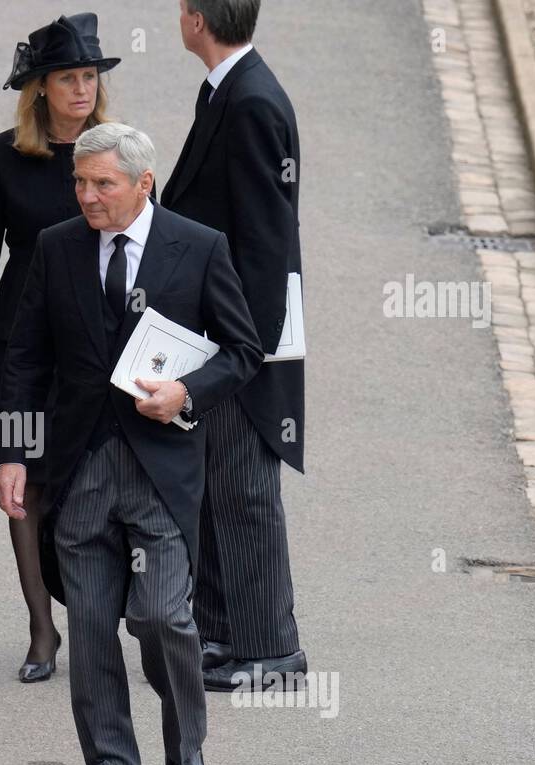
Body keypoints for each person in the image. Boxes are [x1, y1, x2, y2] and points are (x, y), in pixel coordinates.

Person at [0, 123, 262, 765]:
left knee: (162, 614)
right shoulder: (55, 248)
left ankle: (186, 752)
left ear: (143, 183)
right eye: (79, 182)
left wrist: (187, 393)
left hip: (162, 473)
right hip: (78, 470)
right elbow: (23, 357)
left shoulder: (198, 248)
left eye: (102, 183)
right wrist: (13, 453)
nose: (87, 196)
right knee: (88, 630)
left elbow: (243, 350)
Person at [0, 11, 118, 683]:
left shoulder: (116, 152)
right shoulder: (3, 155)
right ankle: (42, 626)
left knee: (88, 475)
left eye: (89, 76)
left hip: (98, 341)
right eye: (68, 78)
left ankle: (93, 614)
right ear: (40, 87)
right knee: (24, 475)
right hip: (17, 340)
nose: (82, 89)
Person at [162, 0, 308, 690]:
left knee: (246, 491)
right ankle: (222, 629)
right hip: (220, 332)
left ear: (196, 18)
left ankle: (272, 649)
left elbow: (265, 240)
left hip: (243, 340)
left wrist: (241, 351)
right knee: (218, 484)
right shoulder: (231, 89)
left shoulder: (250, 103)